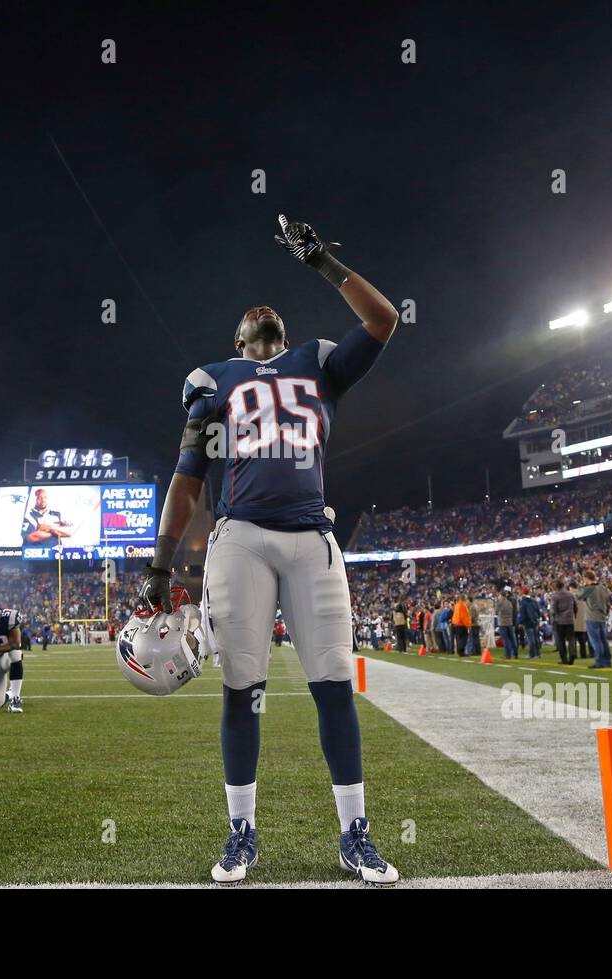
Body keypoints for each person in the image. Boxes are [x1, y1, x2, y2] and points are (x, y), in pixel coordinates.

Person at [138, 215, 400, 885]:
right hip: (242, 539)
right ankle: (242, 832)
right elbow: (187, 477)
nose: (258, 313)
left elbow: (383, 320)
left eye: (267, 314)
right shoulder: (215, 378)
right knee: (240, 688)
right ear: (237, 340)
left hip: (313, 536)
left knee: (334, 684)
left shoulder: (318, 361)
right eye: (248, 317)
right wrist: (160, 565)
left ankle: (354, 833)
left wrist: (322, 264)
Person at [576, 571, 611, 668]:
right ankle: (607, 661)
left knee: (595, 641)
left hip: (592, 617)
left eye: (584, 579)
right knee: (603, 640)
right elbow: (608, 599)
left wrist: (582, 586)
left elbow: (578, 595)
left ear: (586, 578)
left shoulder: (589, 588)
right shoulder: (603, 588)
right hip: (602, 617)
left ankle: (599, 661)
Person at [549, 579, 576, 663]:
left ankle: (564, 658)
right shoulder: (570, 594)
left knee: (561, 640)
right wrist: (574, 615)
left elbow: (553, 610)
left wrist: (552, 618)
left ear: (555, 587)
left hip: (559, 621)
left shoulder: (555, 596)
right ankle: (572, 654)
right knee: (571, 639)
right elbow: (575, 606)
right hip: (570, 620)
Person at [517, 587, 542, 659]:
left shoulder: (523, 602)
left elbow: (523, 613)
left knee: (531, 639)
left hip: (528, 622)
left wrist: (520, 622)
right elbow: (538, 611)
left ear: (522, 593)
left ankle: (532, 654)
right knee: (536, 638)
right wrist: (537, 619)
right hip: (535, 621)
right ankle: (538, 653)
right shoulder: (534, 601)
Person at [495, 586, 519, 659]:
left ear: (502, 596)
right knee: (512, 638)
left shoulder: (500, 603)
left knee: (506, 640)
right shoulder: (510, 603)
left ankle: (508, 654)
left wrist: (497, 601)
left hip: (503, 623)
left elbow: (496, 611)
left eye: (499, 595)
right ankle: (515, 653)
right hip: (510, 622)